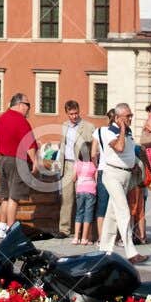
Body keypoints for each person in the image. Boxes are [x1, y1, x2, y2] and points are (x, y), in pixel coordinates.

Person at [96, 104, 146, 264]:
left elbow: (129, 153)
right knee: (123, 211)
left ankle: (104, 250)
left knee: (111, 215)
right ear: (117, 118)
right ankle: (131, 252)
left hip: (125, 176)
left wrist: (137, 165)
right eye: (127, 116)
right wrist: (122, 129)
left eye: (131, 116)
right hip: (112, 175)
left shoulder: (129, 132)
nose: (130, 119)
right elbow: (119, 147)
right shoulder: (107, 131)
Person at [0, 92, 34, 238]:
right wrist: (35, 162)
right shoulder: (21, 121)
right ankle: (11, 231)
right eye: (28, 105)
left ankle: (1, 227)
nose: (29, 108)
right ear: (20, 105)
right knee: (14, 197)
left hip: (3, 160)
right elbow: (29, 144)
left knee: (5, 196)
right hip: (17, 161)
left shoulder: (2, 118)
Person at [56, 100, 95, 235]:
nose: (74, 116)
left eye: (76, 113)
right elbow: (63, 144)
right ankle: (64, 229)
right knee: (67, 198)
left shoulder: (89, 127)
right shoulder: (64, 126)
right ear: (66, 113)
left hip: (82, 165)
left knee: (82, 198)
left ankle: (82, 230)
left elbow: (93, 148)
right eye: (71, 114)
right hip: (67, 164)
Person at [71, 138, 98, 246]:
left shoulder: (77, 164)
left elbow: (73, 178)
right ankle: (84, 238)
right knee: (88, 214)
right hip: (91, 191)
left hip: (80, 191)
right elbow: (96, 179)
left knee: (79, 213)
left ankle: (76, 237)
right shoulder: (94, 165)